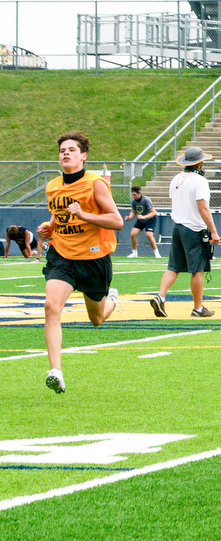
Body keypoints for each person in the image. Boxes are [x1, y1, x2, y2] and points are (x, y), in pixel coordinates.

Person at [37, 131, 124, 394]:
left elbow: (117, 221)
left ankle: (112, 300)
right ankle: (56, 371)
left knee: (96, 319)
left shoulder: (95, 183)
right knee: (51, 306)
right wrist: (47, 229)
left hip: (94, 258)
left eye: (71, 149)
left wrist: (84, 214)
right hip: (62, 255)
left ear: (83, 156)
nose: (65, 153)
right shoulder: (53, 186)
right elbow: (57, 216)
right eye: (62, 149)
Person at [150, 146, 221, 319]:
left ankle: (160, 296)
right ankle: (198, 308)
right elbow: (203, 208)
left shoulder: (176, 179)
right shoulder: (200, 181)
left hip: (177, 226)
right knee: (197, 270)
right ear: (199, 163)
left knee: (173, 267)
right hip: (194, 229)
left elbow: (174, 203)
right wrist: (214, 231)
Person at [125, 185, 161, 258]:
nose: (134, 196)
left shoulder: (146, 200)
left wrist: (144, 217)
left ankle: (156, 253)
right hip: (141, 219)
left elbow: (153, 212)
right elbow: (133, 211)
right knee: (133, 234)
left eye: (135, 195)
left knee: (149, 235)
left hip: (150, 219)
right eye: (132, 195)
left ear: (139, 193)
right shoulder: (134, 201)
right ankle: (134, 253)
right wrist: (129, 217)